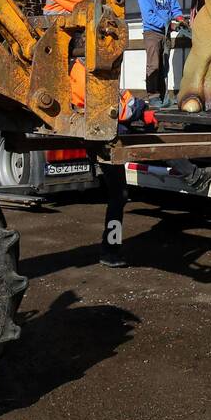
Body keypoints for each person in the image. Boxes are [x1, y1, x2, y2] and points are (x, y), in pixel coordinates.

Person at [69, 57, 158, 268]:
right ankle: (110, 250)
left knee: (118, 195)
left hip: (100, 135)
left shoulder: (78, 70)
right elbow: (118, 109)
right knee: (119, 195)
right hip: (105, 137)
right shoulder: (83, 73)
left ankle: (111, 249)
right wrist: (141, 108)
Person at [138, 0, 187, 107]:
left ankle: (163, 95)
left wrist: (180, 19)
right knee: (154, 65)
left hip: (165, 33)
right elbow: (149, 17)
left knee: (164, 66)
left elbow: (175, 8)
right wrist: (169, 25)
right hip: (152, 33)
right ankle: (153, 96)